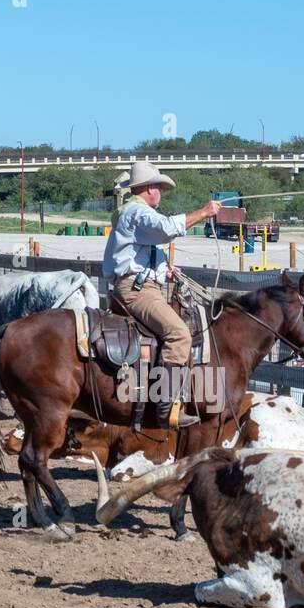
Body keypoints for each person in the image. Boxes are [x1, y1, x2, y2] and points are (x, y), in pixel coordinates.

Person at [102, 161, 221, 428]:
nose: (161, 193)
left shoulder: (132, 213)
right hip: (138, 291)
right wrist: (204, 212)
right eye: (159, 187)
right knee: (179, 334)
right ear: (149, 188)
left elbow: (140, 253)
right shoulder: (137, 212)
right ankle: (167, 410)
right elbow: (168, 229)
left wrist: (162, 271)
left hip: (140, 285)